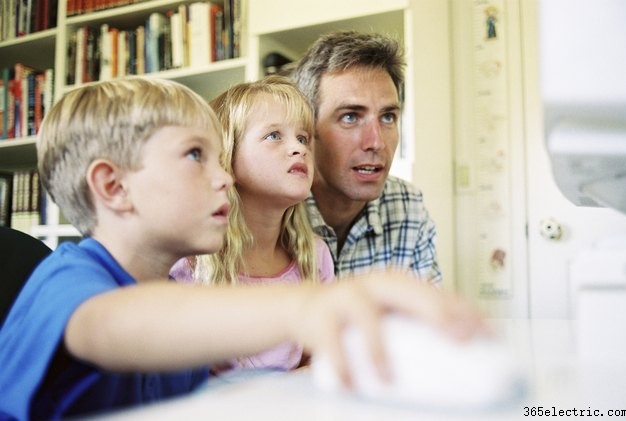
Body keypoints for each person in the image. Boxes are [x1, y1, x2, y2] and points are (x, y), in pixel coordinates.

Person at [0, 78, 483, 419]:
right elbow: (115, 323)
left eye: (220, 157)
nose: (226, 177)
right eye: (195, 155)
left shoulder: (176, 310)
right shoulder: (71, 283)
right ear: (113, 186)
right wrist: (310, 305)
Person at [173, 75, 335, 371]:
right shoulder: (191, 262)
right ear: (227, 158)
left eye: (302, 138)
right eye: (274, 135)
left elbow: (319, 362)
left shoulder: (316, 256)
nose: (299, 148)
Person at [292, 30, 441, 284]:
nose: (376, 142)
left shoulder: (408, 207)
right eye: (350, 117)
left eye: (387, 117)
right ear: (306, 129)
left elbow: (426, 321)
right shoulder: (270, 210)